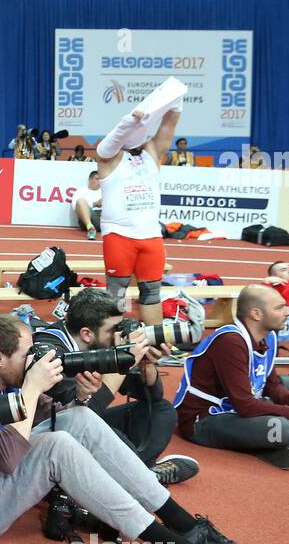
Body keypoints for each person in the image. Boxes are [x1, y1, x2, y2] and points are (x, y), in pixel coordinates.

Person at [0, 313, 264, 544]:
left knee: (79, 418)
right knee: (56, 446)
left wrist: (79, 396)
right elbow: (5, 458)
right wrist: (32, 389)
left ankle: (184, 525)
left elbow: (69, 420)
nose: (34, 361)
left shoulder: (10, 381)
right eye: (27, 353)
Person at [34, 288, 200, 483]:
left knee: (161, 410)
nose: (118, 334)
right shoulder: (52, 352)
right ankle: (144, 477)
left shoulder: (98, 343)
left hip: (83, 425)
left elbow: (153, 395)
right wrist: (125, 359)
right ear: (87, 334)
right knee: (105, 432)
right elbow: (82, 416)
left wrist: (145, 363)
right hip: (52, 432)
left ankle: (138, 475)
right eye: (112, 329)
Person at [173, 285, 289, 469]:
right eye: (279, 308)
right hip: (202, 422)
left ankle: (270, 441)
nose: (288, 312)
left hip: (233, 410)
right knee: (283, 430)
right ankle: (275, 441)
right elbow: (245, 405)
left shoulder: (268, 337)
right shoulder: (230, 342)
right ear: (256, 314)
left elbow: (273, 386)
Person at [94, 80, 182, 323]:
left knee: (152, 292)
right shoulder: (109, 160)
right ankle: (116, 347)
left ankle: (152, 349)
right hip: (119, 236)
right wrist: (129, 122)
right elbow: (105, 147)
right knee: (117, 293)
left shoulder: (151, 154)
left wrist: (175, 99)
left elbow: (168, 126)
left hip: (151, 236)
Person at [73, 169, 101, 241]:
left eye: (101, 179)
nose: (99, 181)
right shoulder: (81, 191)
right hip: (89, 218)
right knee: (80, 201)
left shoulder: (105, 191)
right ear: (90, 179)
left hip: (104, 219)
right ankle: (91, 228)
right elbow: (75, 207)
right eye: (97, 179)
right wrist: (95, 204)